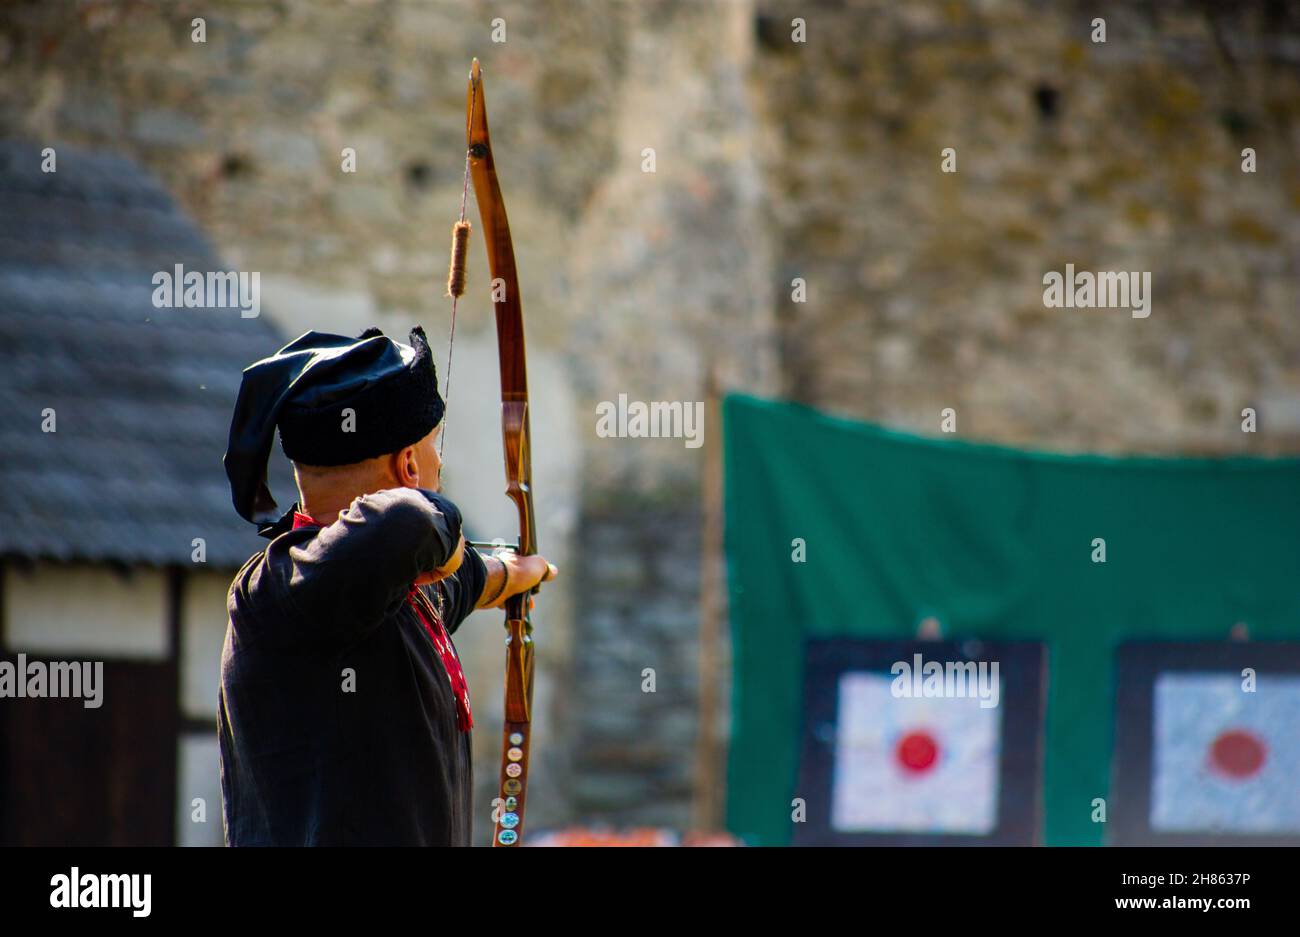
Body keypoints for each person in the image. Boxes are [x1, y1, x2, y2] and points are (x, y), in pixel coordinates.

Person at [218, 325, 555, 845]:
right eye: (433, 447)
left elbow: (459, 578)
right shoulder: (280, 592)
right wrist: (445, 528)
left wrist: (515, 574)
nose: (441, 463)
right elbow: (411, 524)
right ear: (409, 465)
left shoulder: (388, 590)